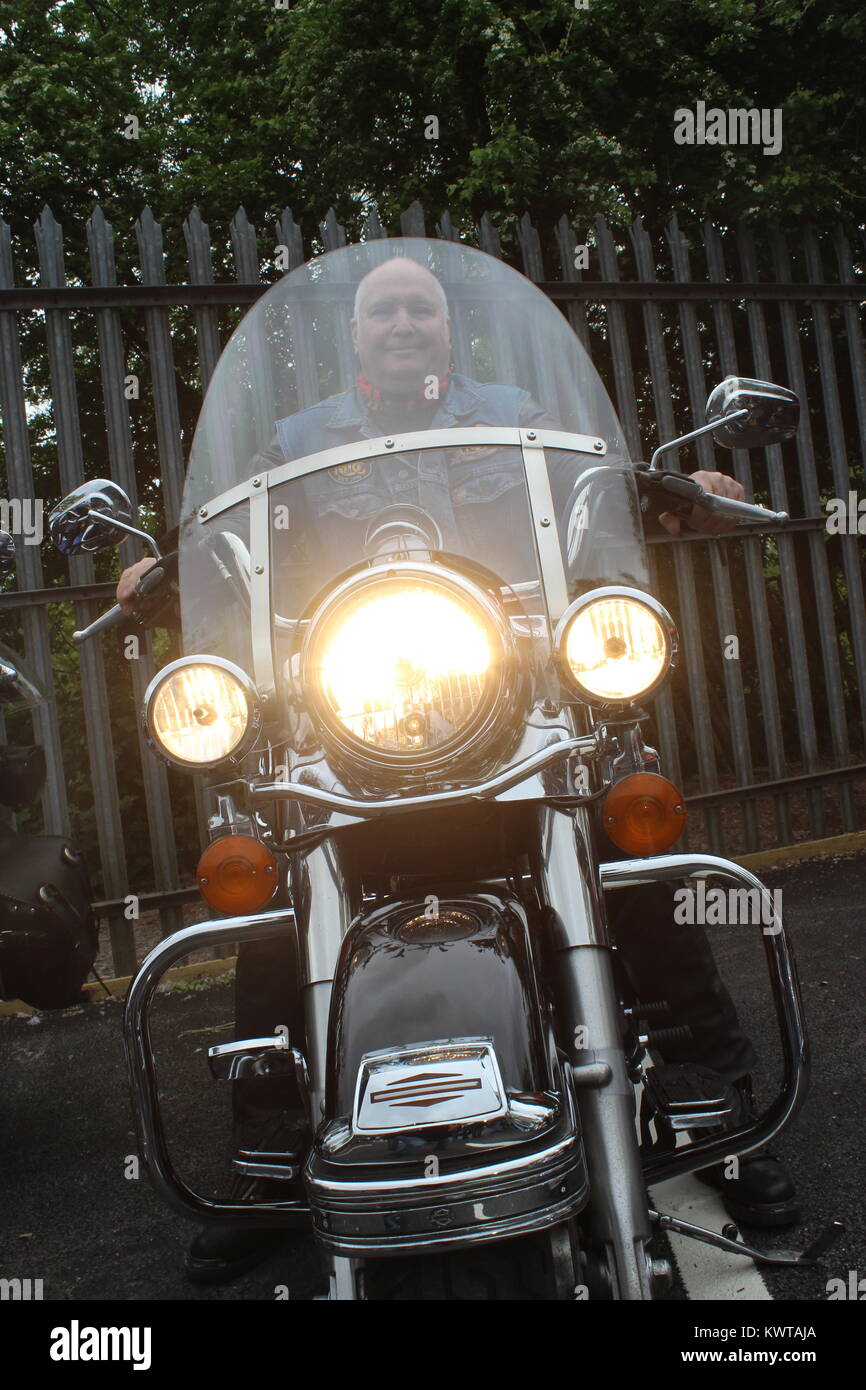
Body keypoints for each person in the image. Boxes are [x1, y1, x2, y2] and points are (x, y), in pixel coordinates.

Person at [118, 257, 799, 1281]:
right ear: (355, 336)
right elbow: (231, 544)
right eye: (382, 310)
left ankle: (713, 1107)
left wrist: (668, 490)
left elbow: (588, 504)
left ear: (445, 331)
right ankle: (270, 1157)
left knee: (632, 829)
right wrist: (170, 563)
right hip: (352, 711)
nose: (402, 323)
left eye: (419, 309)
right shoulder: (295, 447)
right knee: (267, 874)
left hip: (508, 691)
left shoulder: (521, 418)